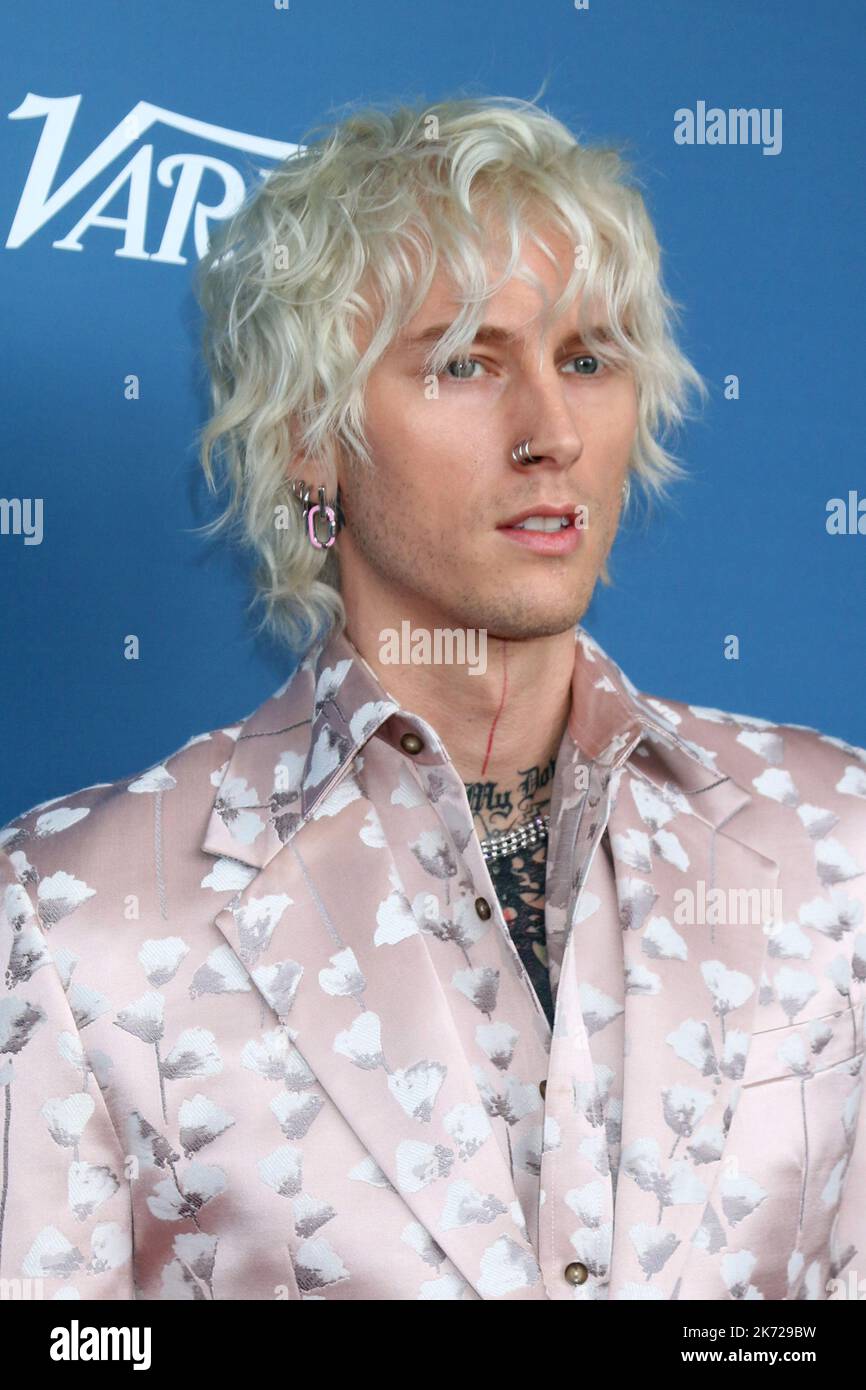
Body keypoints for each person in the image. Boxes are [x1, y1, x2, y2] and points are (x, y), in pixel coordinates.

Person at [1, 96, 863, 1302]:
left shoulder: (833, 837)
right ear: (312, 438)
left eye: (585, 359)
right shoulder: (73, 913)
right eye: (464, 361)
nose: (549, 431)